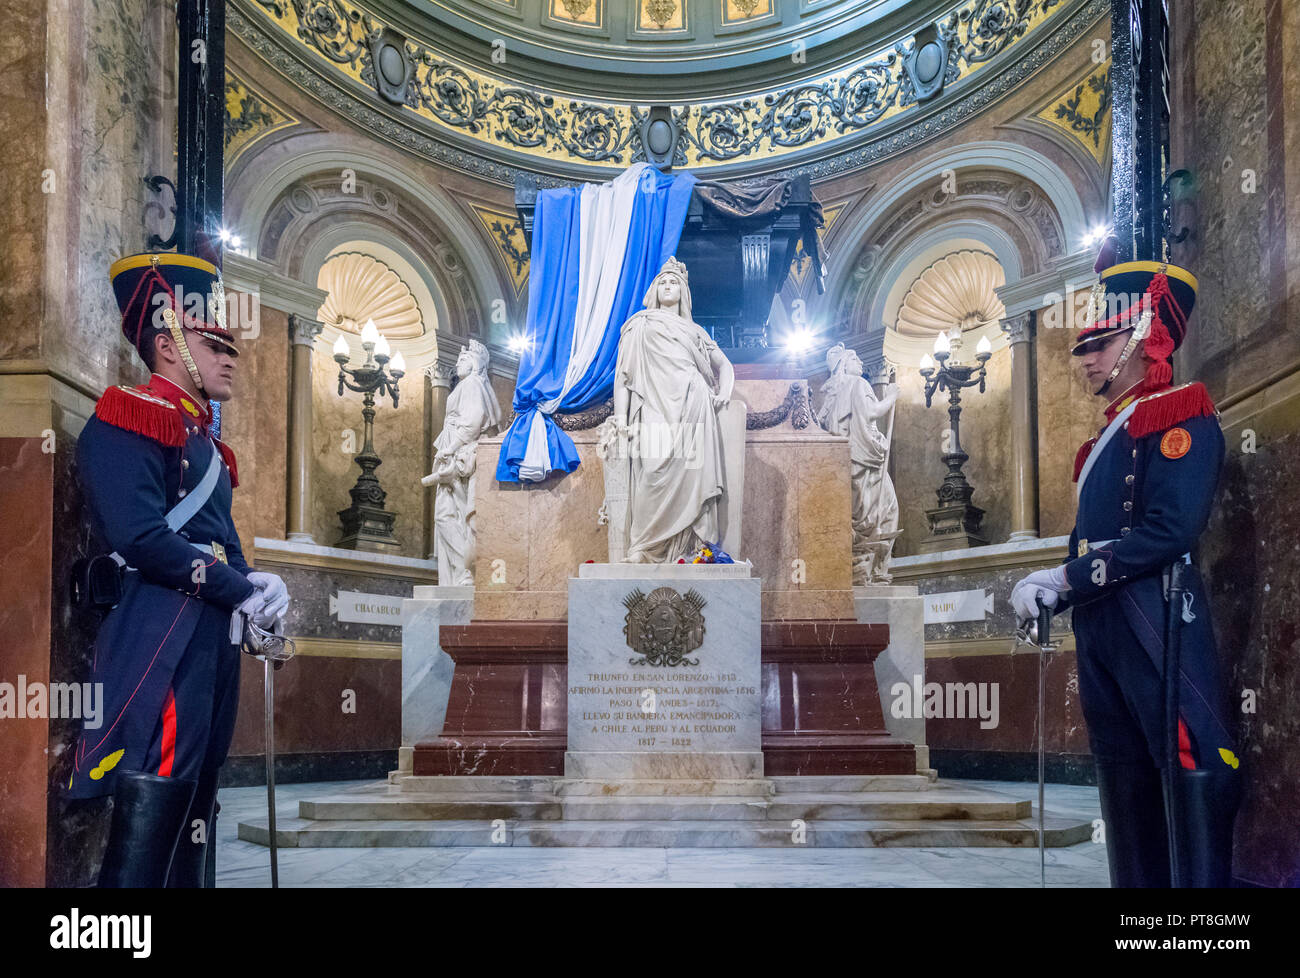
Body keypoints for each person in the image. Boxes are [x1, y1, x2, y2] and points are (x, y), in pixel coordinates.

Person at [1011, 240, 1240, 887]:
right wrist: (1057, 590)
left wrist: (1067, 580)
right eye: (1084, 346)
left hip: (1155, 618)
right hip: (1105, 627)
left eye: (1099, 344)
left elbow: (1172, 530)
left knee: (1191, 765)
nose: (1084, 358)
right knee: (1122, 771)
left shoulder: (1181, 414)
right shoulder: (1105, 441)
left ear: (1144, 335)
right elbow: (1092, 542)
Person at [68, 252, 290, 887]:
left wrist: (255, 581)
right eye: (213, 342)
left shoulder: (204, 442)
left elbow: (216, 536)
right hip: (160, 628)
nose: (230, 356)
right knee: (161, 776)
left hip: (209, 631)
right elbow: (140, 537)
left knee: (199, 784)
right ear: (167, 345)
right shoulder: (127, 417)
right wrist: (233, 587)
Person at [612, 257, 736, 563]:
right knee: (651, 471)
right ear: (655, 290)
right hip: (653, 406)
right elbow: (624, 378)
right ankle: (643, 545)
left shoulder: (694, 331)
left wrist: (725, 392)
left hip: (693, 403)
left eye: (674, 283)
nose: (668, 286)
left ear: (683, 292)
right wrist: (621, 418)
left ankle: (694, 547)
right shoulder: (639, 324)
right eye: (663, 282)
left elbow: (724, 365)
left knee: (694, 471)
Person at [817, 343, 900, 584]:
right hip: (867, 461)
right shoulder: (859, 384)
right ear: (844, 364)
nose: (861, 363)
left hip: (846, 462)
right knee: (887, 509)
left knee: (858, 514)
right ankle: (877, 570)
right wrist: (892, 396)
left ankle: (858, 568)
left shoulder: (831, 398)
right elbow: (872, 411)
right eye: (855, 359)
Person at [422, 339, 501, 585]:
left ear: (476, 364)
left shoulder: (471, 384)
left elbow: (473, 420)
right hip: (460, 455)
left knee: (449, 516)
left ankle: (466, 570)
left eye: (463, 359)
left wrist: (450, 448)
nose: (458, 362)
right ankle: (464, 570)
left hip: (462, 457)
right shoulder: (471, 385)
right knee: (451, 516)